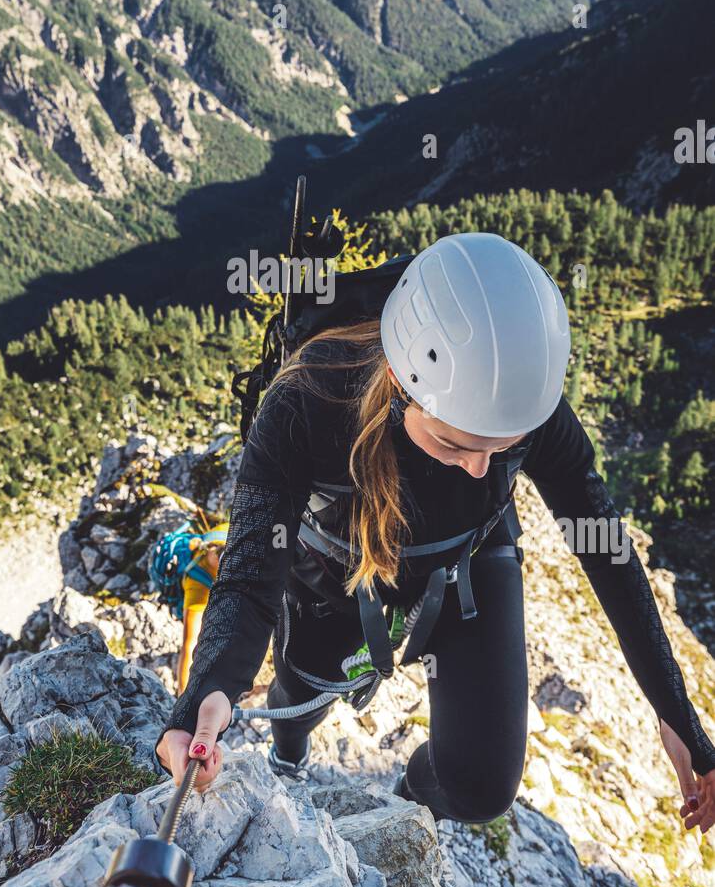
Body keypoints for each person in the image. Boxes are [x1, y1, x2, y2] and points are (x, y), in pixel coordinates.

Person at [154, 233, 715, 834]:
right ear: (400, 382)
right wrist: (205, 696)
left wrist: (676, 712)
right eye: (454, 442)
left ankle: (405, 805)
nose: (480, 468)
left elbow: (606, 552)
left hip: (463, 572)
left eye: (503, 450)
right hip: (333, 578)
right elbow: (248, 581)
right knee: (299, 695)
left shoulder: (529, 408)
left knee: (480, 788)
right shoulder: (306, 402)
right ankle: (288, 753)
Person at [176, 532, 224, 695]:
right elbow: (189, 645)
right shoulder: (197, 585)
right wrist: (182, 699)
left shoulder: (233, 537)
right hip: (200, 583)